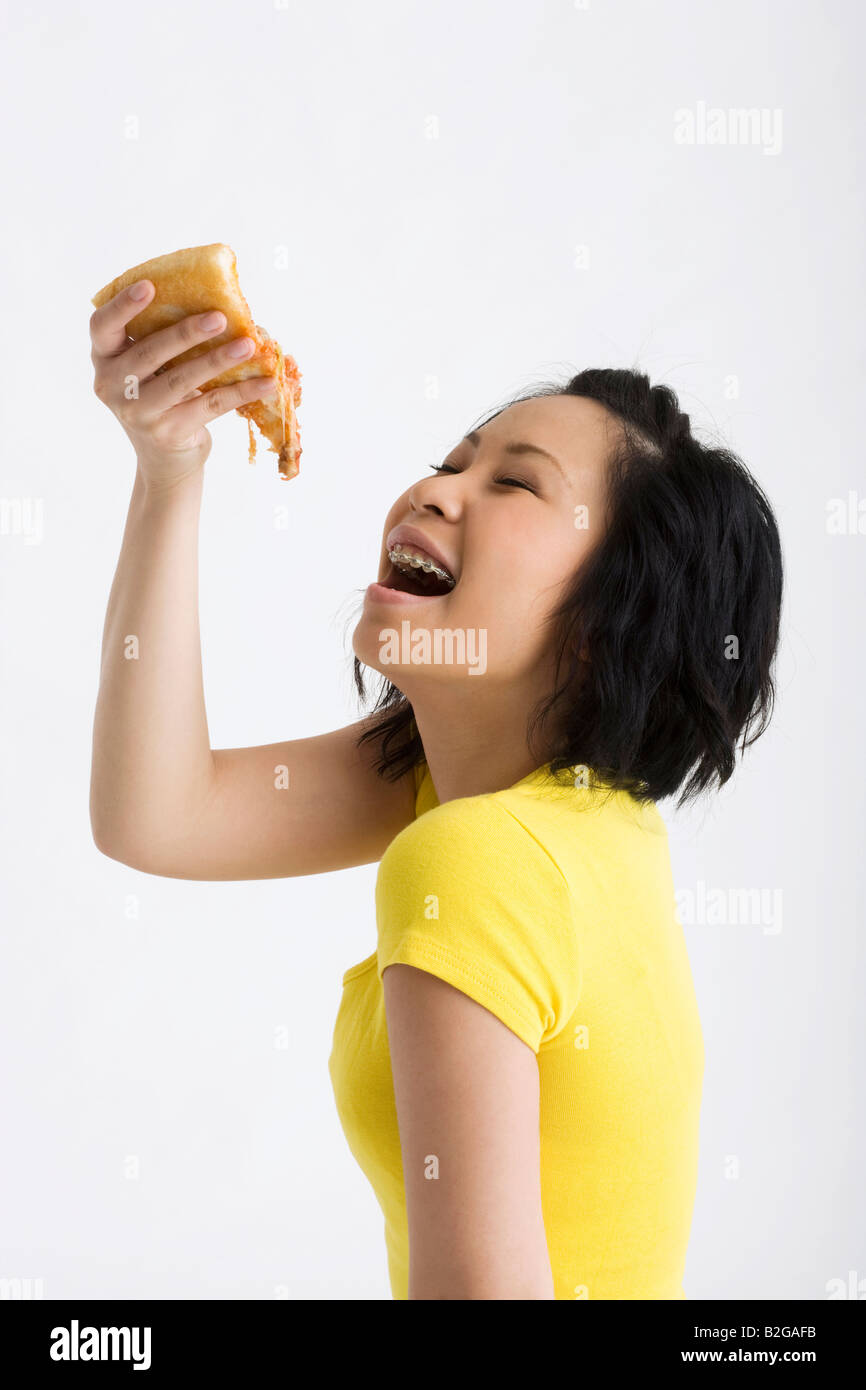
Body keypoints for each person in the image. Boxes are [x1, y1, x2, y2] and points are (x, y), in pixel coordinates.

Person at [89, 279, 784, 1300]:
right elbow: (156, 813)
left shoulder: (479, 858)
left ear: (604, 622)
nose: (434, 491)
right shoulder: (549, 805)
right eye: (450, 461)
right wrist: (169, 465)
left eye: (515, 486)